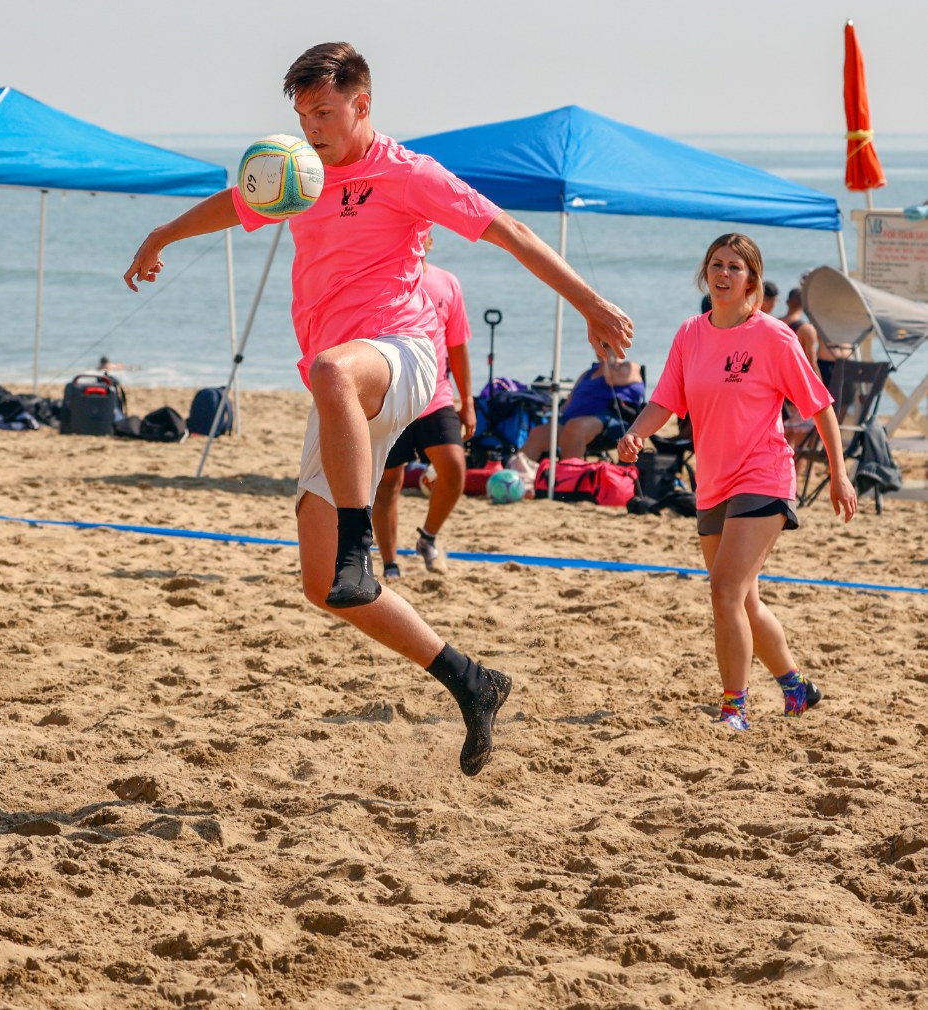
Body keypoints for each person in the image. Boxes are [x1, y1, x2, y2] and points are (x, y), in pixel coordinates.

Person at [123, 43, 633, 776]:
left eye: (324, 112)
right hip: (342, 389)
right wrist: (162, 233)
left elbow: (510, 232)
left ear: (363, 104)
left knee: (333, 380)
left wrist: (588, 303)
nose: (313, 127)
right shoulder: (299, 175)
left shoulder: (406, 173)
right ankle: (470, 679)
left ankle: (367, 544)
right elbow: (236, 205)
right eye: (302, 114)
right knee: (324, 585)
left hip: (401, 352)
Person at [617, 234, 856, 732]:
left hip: (764, 474)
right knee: (743, 599)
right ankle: (796, 687)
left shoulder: (773, 336)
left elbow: (820, 406)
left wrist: (839, 473)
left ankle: (734, 708)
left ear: (751, 278)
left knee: (724, 590)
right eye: (716, 265)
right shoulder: (690, 333)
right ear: (706, 273)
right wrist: (636, 433)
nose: (723, 274)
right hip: (714, 481)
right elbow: (665, 400)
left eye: (734, 267)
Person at [372, 244, 473, 577]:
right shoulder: (382, 279)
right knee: (388, 485)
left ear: (428, 239)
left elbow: (457, 346)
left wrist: (467, 402)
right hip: (394, 400)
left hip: (437, 398)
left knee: (455, 470)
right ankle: (390, 564)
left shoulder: (447, 282)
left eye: (424, 232)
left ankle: (427, 539)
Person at [519, 354, 645, 463]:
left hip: (611, 419)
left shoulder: (630, 367)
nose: (601, 348)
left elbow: (612, 378)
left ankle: (567, 478)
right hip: (573, 419)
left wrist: (610, 357)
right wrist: (553, 412)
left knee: (575, 427)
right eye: (600, 344)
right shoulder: (587, 373)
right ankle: (517, 478)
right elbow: (568, 402)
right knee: (539, 433)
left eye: (606, 344)